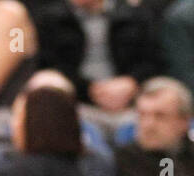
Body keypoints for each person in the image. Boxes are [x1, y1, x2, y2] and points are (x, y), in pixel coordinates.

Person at [64, 0, 171, 135]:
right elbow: (52, 65)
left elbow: (154, 60)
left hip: (131, 100)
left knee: (169, 94)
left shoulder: (134, 15)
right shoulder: (54, 18)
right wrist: (90, 89)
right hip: (77, 101)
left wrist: (132, 82)